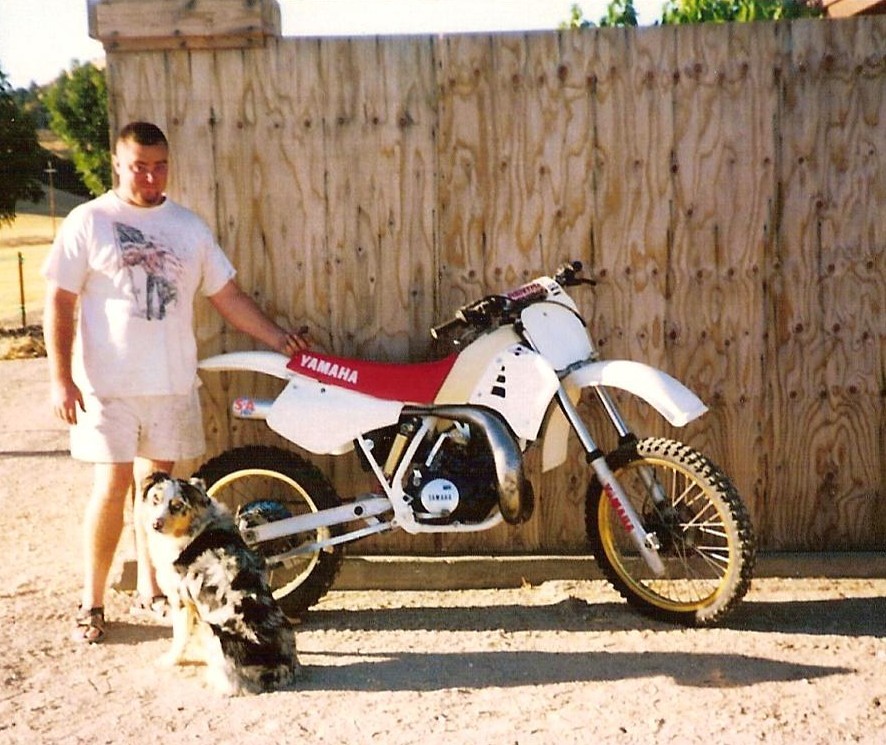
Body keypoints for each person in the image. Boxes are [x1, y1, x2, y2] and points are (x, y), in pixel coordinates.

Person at [42, 121, 308, 644]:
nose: (150, 176)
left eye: (159, 165)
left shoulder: (188, 227)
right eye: (139, 166)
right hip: (105, 387)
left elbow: (227, 297)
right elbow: (59, 300)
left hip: (169, 383)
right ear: (117, 164)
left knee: (155, 494)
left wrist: (278, 338)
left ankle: (153, 588)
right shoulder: (88, 221)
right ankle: (91, 602)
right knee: (112, 486)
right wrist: (60, 379)